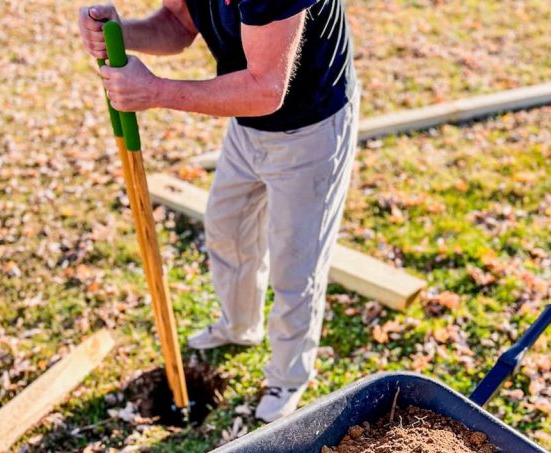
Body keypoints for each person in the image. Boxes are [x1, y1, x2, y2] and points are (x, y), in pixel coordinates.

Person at [79, 0, 359, 422]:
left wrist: (155, 91)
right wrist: (121, 33)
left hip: (310, 128)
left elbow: (266, 88)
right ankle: (240, 325)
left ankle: (288, 375)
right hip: (247, 125)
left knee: (295, 265)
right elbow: (177, 22)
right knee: (227, 228)